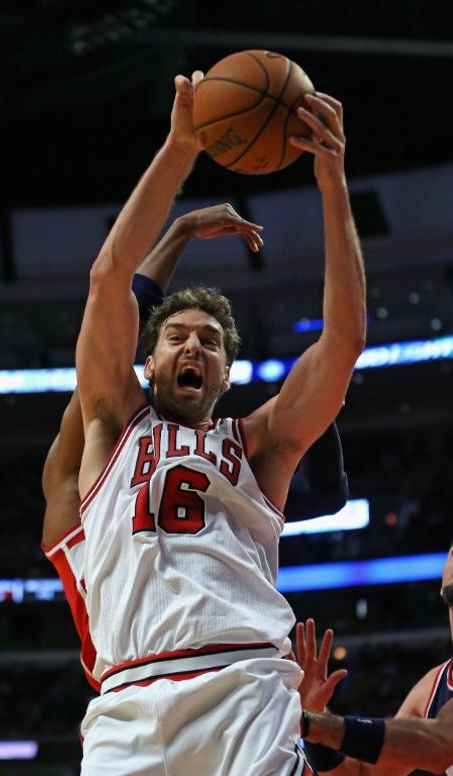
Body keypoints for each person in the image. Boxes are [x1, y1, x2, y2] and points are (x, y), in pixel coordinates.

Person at [74, 69, 366, 774]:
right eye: (177, 335)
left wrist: (332, 185)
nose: (194, 345)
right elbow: (109, 280)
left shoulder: (258, 444)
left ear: (228, 375)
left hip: (246, 686)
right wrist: (181, 148)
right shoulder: (112, 425)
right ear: (148, 360)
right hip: (127, 699)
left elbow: (344, 343)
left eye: (210, 340)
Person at [296, 542, 453, 774]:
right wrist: (315, 714)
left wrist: (310, 723)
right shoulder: (433, 685)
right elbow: (360, 774)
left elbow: (440, 744)